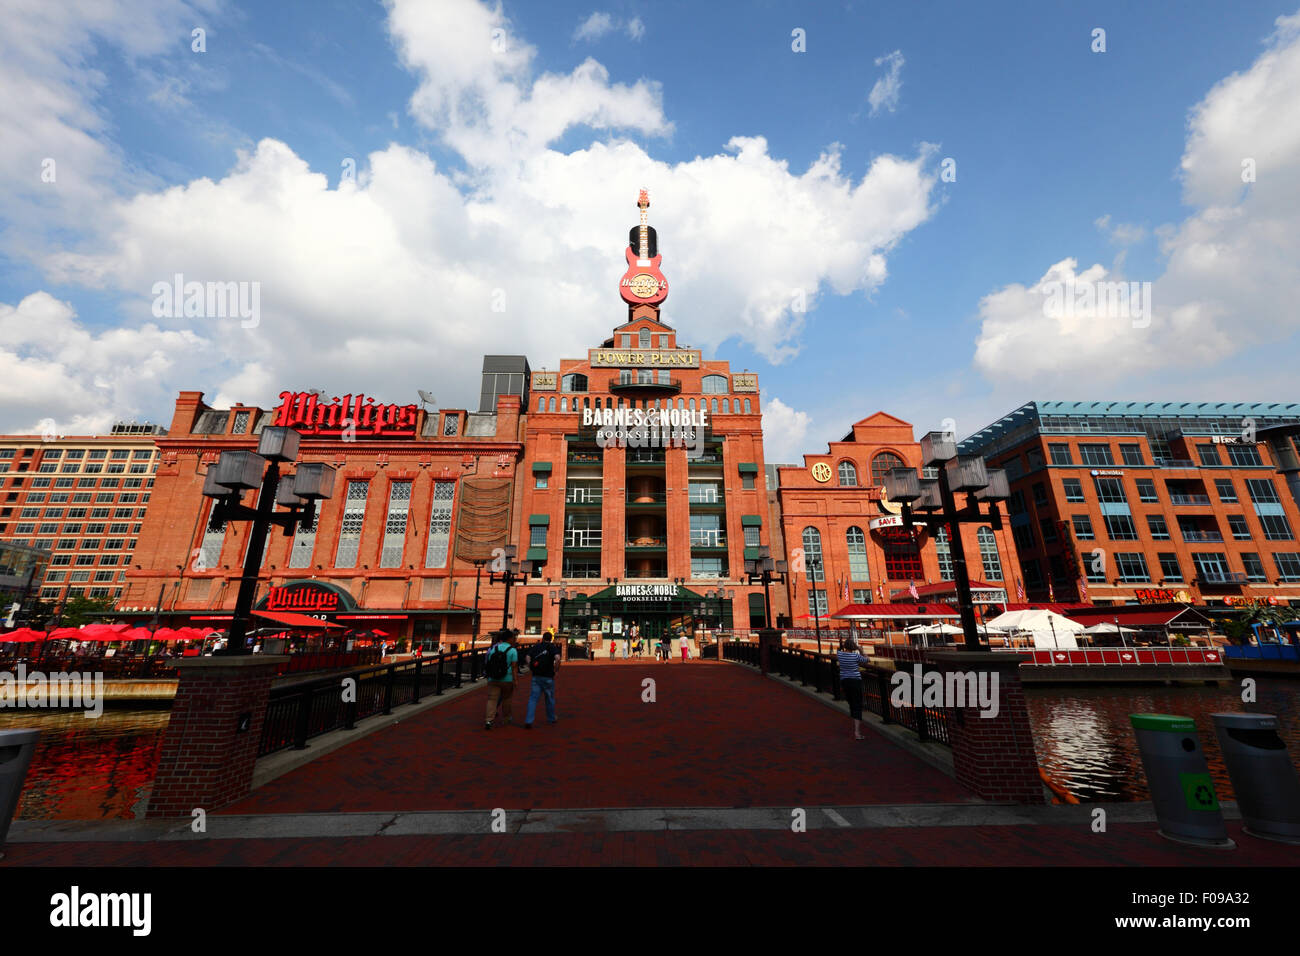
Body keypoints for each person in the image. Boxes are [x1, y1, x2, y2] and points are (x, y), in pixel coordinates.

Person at [524, 630, 561, 728]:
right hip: (548, 676)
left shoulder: (536, 646)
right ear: (551, 639)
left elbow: (527, 657)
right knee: (549, 699)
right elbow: (557, 658)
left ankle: (529, 720)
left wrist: (530, 667)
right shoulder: (552, 647)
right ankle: (551, 718)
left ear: (542, 638)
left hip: (536, 676)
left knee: (533, 699)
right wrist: (556, 670)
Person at [483, 630, 519, 730]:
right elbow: (514, 667)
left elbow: (489, 663)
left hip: (493, 678)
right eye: (513, 638)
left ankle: (489, 720)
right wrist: (515, 680)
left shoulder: (494, 648)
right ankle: (506, 719)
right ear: (509, 638)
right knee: (507, 699)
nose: (514, 639)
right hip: (507, 679)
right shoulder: (513, 650)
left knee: (492, 699)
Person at [837, 635, 870, 740]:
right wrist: (861, 650)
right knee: (857, 705)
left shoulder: (840, 654)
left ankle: (854, 716)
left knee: (851, 701)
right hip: (855, 681)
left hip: (845, 681)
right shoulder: (855, 656)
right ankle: (857, 732)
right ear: (854, 647)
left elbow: (840, 651)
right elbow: (867, 660)